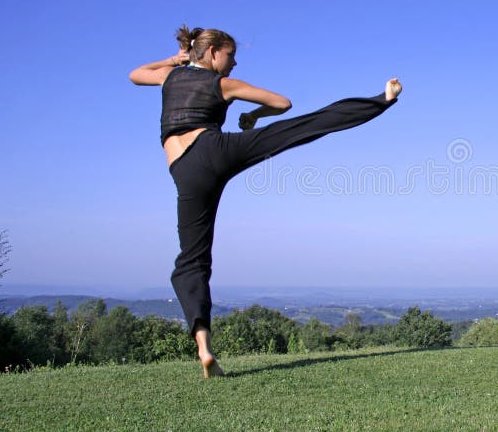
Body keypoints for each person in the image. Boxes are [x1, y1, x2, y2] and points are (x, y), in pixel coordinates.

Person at [130, 26, 401, 378]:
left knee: (191, 259)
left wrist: (173, 59)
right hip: (215, 150)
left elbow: (136, 74)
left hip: (183, 170)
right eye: (230, 55)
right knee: (299, 128)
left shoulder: (168, 76)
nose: (234, 62)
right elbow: (283, 103)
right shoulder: (222, 84)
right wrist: (254, 117)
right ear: (212, 52)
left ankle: (204, 348)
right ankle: (382, 100)